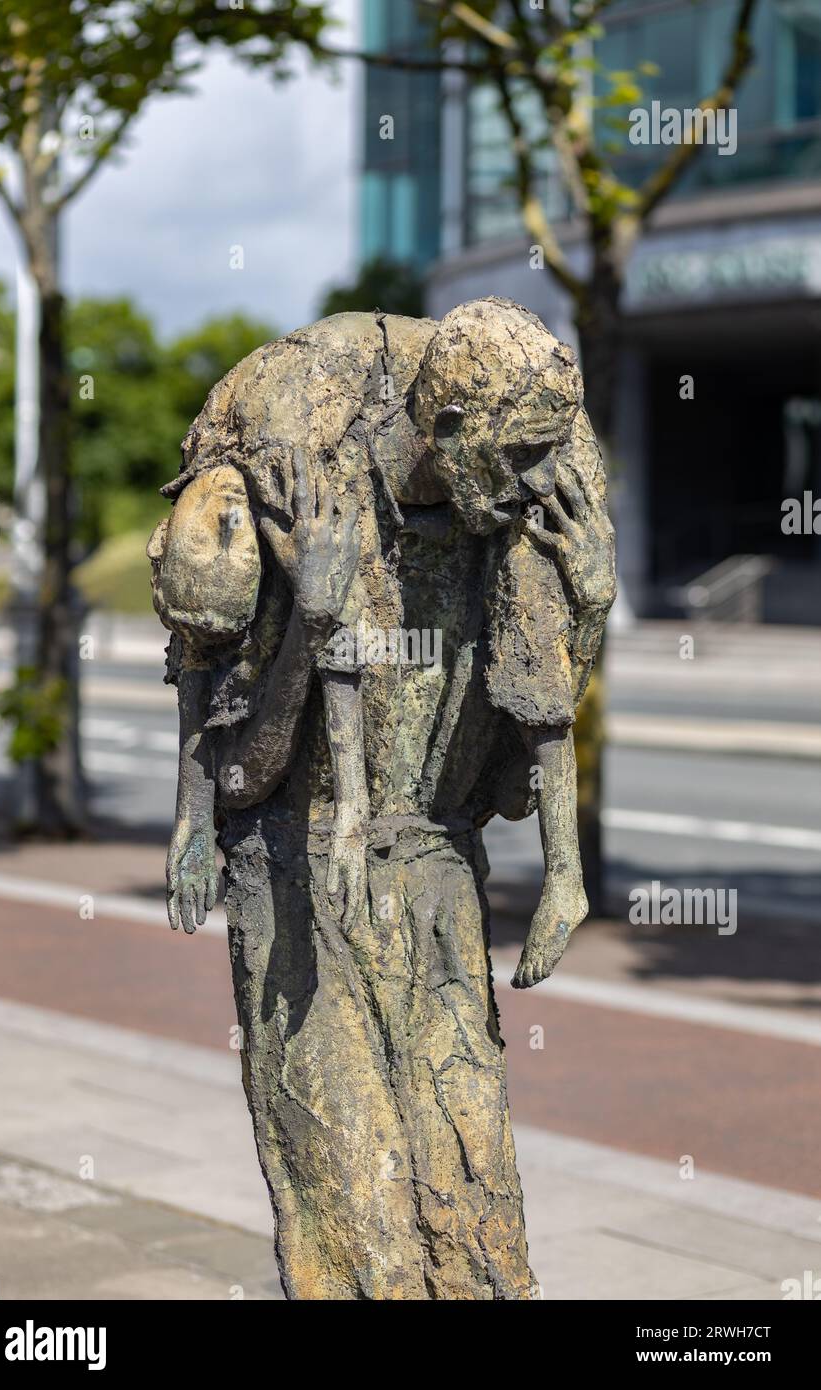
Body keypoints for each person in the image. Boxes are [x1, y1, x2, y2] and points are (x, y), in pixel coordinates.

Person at [148, 298, 615, 1300]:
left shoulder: (511, 520)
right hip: (301, 889)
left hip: (435, 883)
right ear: (446, 429)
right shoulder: (297, 477)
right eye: (520, 452)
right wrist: (311, 635)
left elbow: (501, 780)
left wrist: (589, 607)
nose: (540, 479)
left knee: (479, 1225)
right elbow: (240, 776)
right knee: (359, 1239)